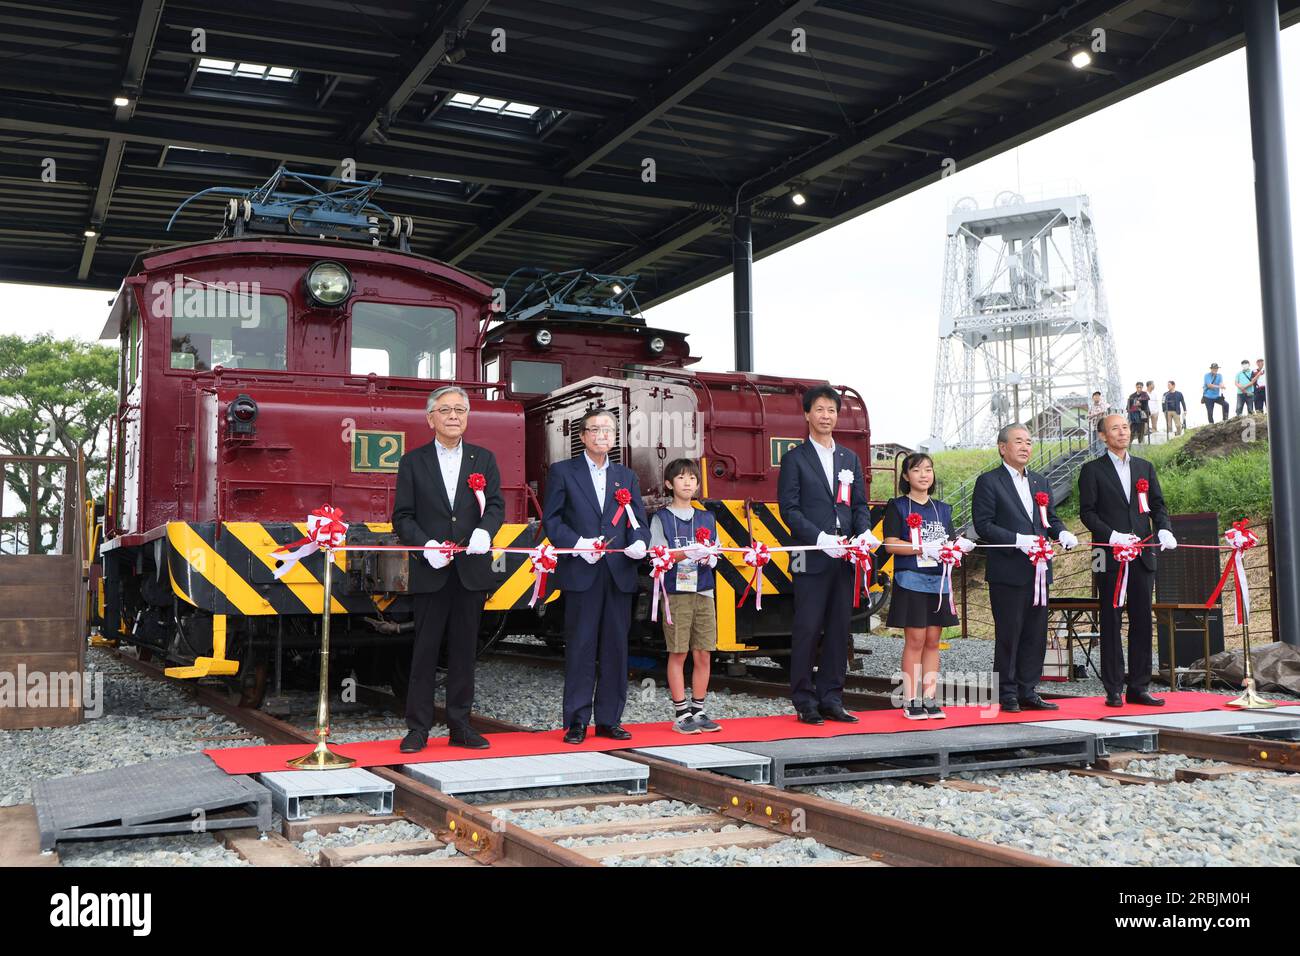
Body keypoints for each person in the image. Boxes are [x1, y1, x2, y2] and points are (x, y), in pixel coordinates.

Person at [393, 386, 505, 752]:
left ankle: (461, 726)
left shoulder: (483, 459)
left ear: (467, 417)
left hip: (470, 570)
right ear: (430, 419)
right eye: (445, 410)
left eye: (460, 409)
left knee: (463, 651)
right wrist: (426, 545)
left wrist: (484, 533)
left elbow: (496, 507)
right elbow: (402, 517)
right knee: (424, 650)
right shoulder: (412, 462)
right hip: (431, 570)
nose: (454, 416)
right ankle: (418, 728)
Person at [542, 407, 650, 744]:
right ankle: (576, 721)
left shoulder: (626, 476)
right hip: (581, 571)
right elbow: (552, 520)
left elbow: (639, 522)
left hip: (619, 573)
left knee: (616, 648)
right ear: (583, 436)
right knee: (581, 647)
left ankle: (609, 719)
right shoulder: (563, 472)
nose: (604, 435)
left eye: (609, 430)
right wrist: (577, 544)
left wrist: (640, 544)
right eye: (597, 429)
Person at [777, 385, 878, 725]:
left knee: (838, 628)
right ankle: (804, 699)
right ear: (807, 414)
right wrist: (819, 538)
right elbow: (788, 510)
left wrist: (862, 532)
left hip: (846, 555)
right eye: (819, 410)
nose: (825, 416)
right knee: (807, 627)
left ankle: (832, 697)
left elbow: (859, 504)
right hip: (812, 554)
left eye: (831, 410)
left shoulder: (849, 458)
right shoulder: (794, 459)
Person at [972, 425, 1079, 713]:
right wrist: (1017, 540)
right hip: (1008, 571)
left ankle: (1028, 689)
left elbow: (1050, 520)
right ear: (1002, 447)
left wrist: (1062, 533)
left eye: (1029, 442)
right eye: (1018, 441)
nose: (1025, 447)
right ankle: (1006, 692)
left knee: (1035, 631)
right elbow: (983, 525)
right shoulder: (989, 481)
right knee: (1010, 632)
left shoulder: (1040, 482)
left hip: (1039, 571)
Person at [1078, 414, 1178, 707]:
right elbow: (1088, 513)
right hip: (1110, 555)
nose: (1122, 433)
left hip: (1143, 554)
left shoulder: (1144, 466)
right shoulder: (1092, 470)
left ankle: (1139, 685)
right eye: (1115, 429)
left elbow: (1158, 505)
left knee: (1142, 620)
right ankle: (1112, 687)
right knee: (1110, 620)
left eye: (1125, 428)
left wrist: (1164, 529)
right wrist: (1113, 536)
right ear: (1102, 436)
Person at [882, 454, 973, 719]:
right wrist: (921, 547)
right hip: (911, 580)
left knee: (934, 640)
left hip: (939, 582)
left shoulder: (943, 509)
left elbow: (951, 541)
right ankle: (910, 699)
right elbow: (890, 544)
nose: (924, 474)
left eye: (929, 470)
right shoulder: (897, 506)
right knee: (916, 639)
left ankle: (930, 698)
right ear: (905, 476)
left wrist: (959, 548)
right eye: (917, 470)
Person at [649, 459, 721, 734]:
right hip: (676, 592)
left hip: (704, 590)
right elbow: (658, 555)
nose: (688, 482)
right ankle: (681, 712)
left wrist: (711, 556)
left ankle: (699, 709)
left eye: (692, 478)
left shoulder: (707, 517)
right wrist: (689, 552)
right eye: (681, 478)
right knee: (678, 651)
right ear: (669, 484)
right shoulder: (661, 518)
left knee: (703, 652)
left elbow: (714, 549)